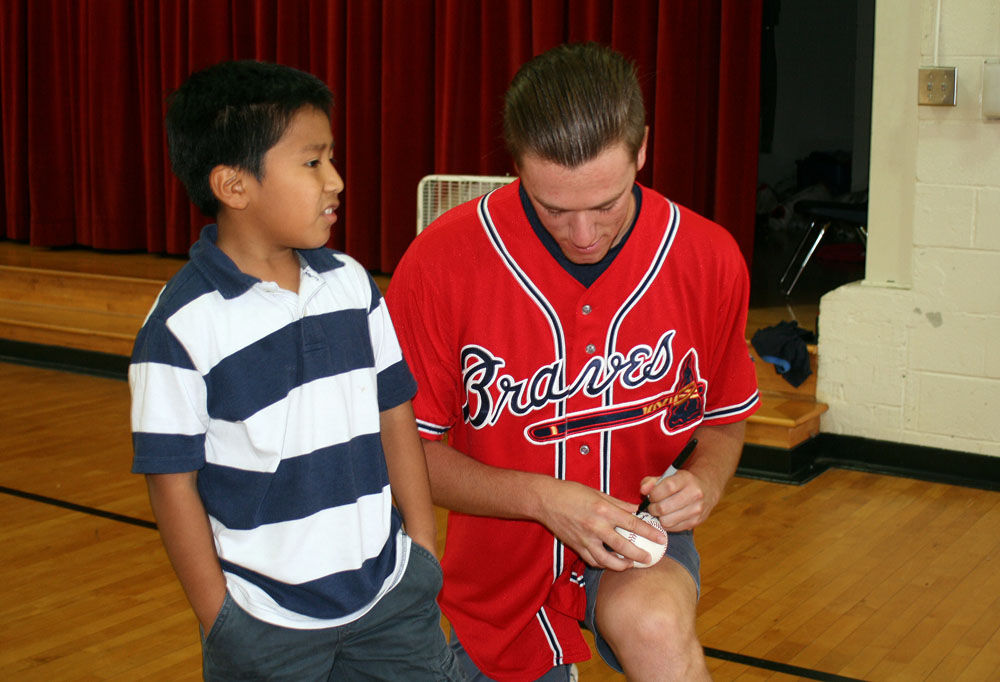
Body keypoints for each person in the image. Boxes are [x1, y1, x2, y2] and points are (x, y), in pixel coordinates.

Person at [386, 43, 759, 681]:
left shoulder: (709, 257)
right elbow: (401, 457)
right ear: (517, 166)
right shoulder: (440, 262)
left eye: (606, 203)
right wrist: (543, 499)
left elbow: (724, 418)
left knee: (657, 626)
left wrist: (708, 484)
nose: (582, 234)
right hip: (494, 561)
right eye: (554, 208)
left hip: (633, 540)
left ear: (642, 151)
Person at [129, 59, 463, 681]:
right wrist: (221, 617)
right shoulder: (181, 326)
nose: (334, 180)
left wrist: (421, 549)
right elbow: (171, 483)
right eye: (312, 163)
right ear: (234, 186)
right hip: (263, 627)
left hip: (391, 598)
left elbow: (396, 417)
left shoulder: (352, 285)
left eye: (330, 158)